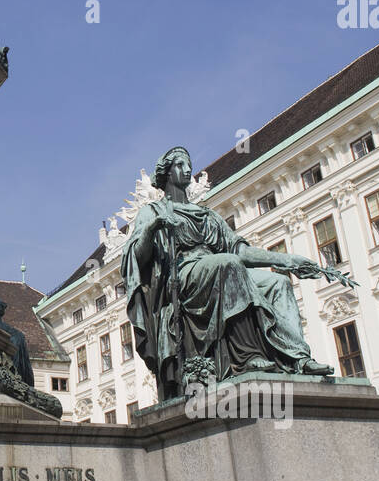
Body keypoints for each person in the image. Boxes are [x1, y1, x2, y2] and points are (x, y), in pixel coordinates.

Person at [121, 146, 350, 401]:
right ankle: (248, 356)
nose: (187, 170)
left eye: (189, 165)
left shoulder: (208, 215)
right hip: (186, 274)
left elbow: (240, 251)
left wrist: (286, 260)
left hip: (223, 269)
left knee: (276, 283)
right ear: (166, 173)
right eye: (180, 165)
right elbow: (136, 257)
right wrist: (153, 228)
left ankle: (298, 357)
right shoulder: (152, 211)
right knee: (228, 265)